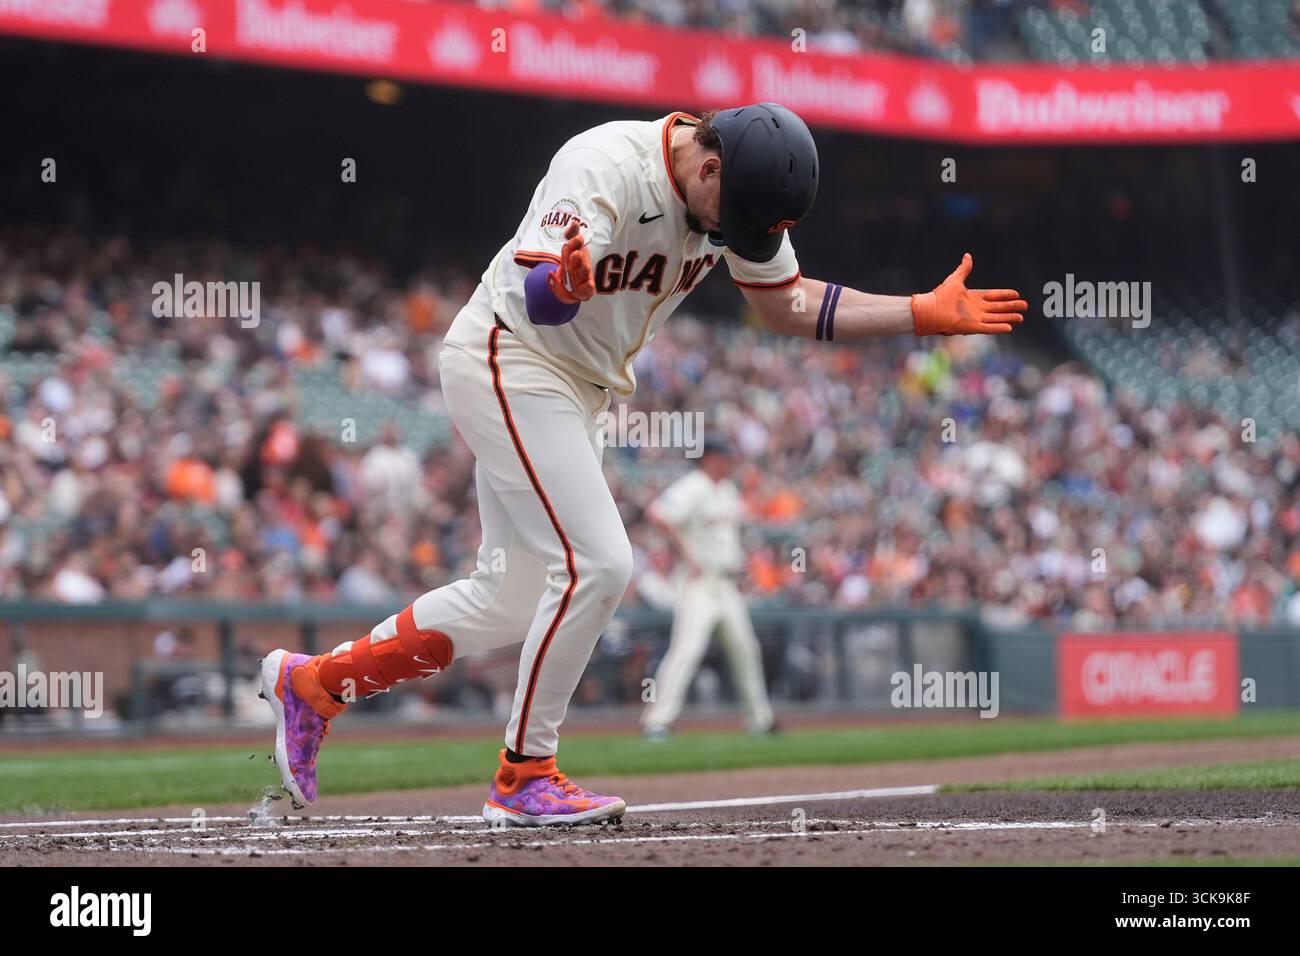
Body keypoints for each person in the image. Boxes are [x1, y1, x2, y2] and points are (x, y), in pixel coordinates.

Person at [260, 103, 1027, 827]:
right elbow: (538, 298)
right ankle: (525, 776)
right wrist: (563, 283)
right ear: (711, 166)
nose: (742, 237)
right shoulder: (605, 164)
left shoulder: (736, 191)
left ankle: (315, 685)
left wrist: (916, 312)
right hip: (512, 356)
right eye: (740, 221)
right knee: (599, 564)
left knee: (507, 599)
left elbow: (785, 303)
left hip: (577, 390)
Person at [641, 440, 775, 739]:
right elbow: (657, 513)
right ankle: (658, 720)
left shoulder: (726, 490)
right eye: (728, 457)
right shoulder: (694, 485)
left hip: (726, 584)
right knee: (687, 650)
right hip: (699, 583)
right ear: (713, 458)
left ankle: (760, 720)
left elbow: (728, 537)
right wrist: (687, 554)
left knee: (746, 649)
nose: (732, 463)